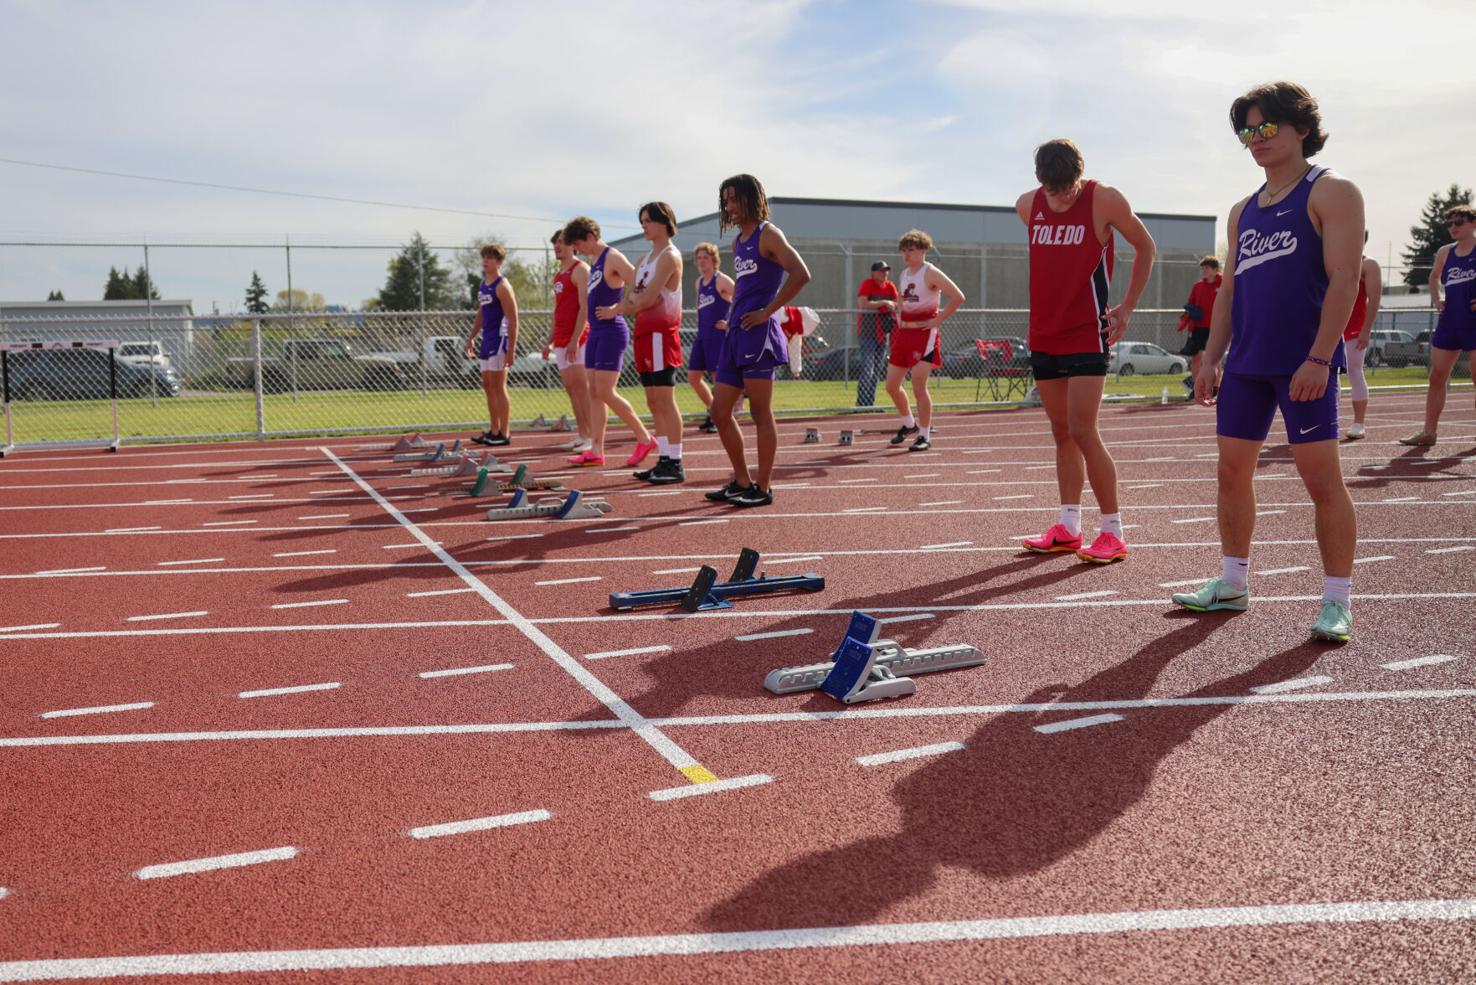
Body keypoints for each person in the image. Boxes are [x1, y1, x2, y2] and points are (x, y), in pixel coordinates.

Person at [1174, 81, 1364, 644]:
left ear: (1300, 129)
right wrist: (1211, 358)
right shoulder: (1241, 211)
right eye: (1247, 131)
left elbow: (1345, 279)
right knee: (1231, 473)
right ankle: (1233, 582)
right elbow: (1229, 292)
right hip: (1247, 367)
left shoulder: (1332, 192)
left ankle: (1338, 600)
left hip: (1303, 364)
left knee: (1321, 481)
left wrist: (1319, 357)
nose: (1256, 139)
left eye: (1267, 126)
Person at [1015, 138, 1156, 563]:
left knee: (1083, 430)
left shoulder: (1104, 199)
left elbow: (1146, 246)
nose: (1062, 197)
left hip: (1086, 334)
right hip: (1044, 334)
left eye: (1068, 187)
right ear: (1040, 181)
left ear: (1080, 174)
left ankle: (1113, 530)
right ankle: (1069, 527)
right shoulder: (1026, 205)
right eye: (1054, 190)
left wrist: (1128, 304)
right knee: (1061, 433)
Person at [703, 173, 811, 508]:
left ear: (752, 198)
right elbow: (745, 288)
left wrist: (767, 312)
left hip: (759, 335)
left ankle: (763, 488)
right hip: (736, 333)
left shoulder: (769, 234)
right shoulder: (738, 242)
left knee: (760, 412)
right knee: (720, 411)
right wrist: (732, 318)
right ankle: (741, 479)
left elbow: (801, 274)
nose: (730, 207)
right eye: (726, 201)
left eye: (734, 199)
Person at [597, 202, 686, 483]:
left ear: (663, 222)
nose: (644, 225)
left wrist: (633, 303)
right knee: (652, 400)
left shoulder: (670, 256)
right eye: (642, 221)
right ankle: (664, 460)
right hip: (644, 333)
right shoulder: (645, 259)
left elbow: (645, 299)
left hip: (661, 333)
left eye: (648, 220)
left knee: (664, 398)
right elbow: (631, 296)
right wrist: (635, 302)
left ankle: (676, 461)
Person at [561, 216, 657, 468]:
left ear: (590, 238)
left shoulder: (611, 257)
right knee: (594, 393)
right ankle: (596, 449)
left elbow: (639, 282)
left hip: (612, 331)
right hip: (595, 332)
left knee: (604, 391)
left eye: (579, 245)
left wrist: (619, 307)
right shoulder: (594, 261)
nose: (578, 251)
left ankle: (645, 438)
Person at [1400, 203, 1476, 446]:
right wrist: (1436, 298)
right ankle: (1429, 432)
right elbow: (1434, 276)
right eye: (1450, 223)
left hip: (1474, 323)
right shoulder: (1445, 252)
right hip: (1450, 321)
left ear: (1473, 223)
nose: (1453, 227)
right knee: (1436, 376)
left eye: (1459, 222)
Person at [884, 230, 966, 451]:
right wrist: (899, 314)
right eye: (904, 251)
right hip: (905, 334)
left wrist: (937, 320)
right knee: (891, 385)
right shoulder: (904, 274)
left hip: (925, 335)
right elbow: (902, 298)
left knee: (919, 386)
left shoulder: (931, 273)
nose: (906, 254)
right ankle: (909, 424)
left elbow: (958, 296)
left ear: (923, 250)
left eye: (911, 250)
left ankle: (924, 435)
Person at [465, 244, 518, 447]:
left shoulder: (502, 286)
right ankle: (493, 430)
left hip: (499, 339)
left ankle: (504, 433)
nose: (485, 261)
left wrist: (511, 349)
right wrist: (472, 336)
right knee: (488, 386)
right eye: (484, 257)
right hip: (486, 339)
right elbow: (482, 311)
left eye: (490, 258)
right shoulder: (483, 284)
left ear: (499, 261)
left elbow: (513, 319)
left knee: (498, 385)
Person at [546, 229, 594, 454]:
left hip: (578, 338)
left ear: (573, 246)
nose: (557, 246)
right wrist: (550, 341)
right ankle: (582, 434)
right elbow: (558, 311)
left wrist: (576, 339)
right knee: (571, 388)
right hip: (562, 340)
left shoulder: (580, 269)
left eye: (562, 243)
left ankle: (593, 436)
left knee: (582, 388)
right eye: (555, 243)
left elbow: (585, 307)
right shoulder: (558, 275)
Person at [689, 242, 735, 433]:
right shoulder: (699, 282)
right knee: (693, 377)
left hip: (717, 335)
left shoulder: (721, 280)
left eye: (705, 257)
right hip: (702, 334)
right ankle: (713, 410)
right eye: (699, 258)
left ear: (714, 260)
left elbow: (741, 298)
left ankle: (722, 416)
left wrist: (730, 322)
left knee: (718, 376)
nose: (702, 261)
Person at [1340, 236, 1381, 440]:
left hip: (1354, 329)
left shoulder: (1368, 264)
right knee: (1329, 375)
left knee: (1354, 371)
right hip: (1331, 327)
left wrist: (1366, 329)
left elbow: (1374, 298)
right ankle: (1329, 421)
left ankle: (1359, 423)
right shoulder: (1331, 260)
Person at [855, 261, 898, 407]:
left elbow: (897, 303)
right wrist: (884, 303)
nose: (884, 273)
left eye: (886, 270)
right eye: (881, 271)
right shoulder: (867, 284)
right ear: (873, 273)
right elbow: (863, 304)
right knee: (868, 369)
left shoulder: (890, 285)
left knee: (877, 371)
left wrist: (891, 304)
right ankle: (861, 404)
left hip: (883, 334)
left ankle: (870, 403)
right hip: (867, 333)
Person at [1178, 256, 1222, 394]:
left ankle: (1216, 387)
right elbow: (1190, 303)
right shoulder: (1197, 286)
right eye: (1202, 268)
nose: (1204, 271)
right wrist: (1191, 309)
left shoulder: (1224, 284)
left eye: (1206, 268)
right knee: (1196, 358)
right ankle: (1196, 388)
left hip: (1217, 326)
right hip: (1199, 327)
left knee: (1215, 358)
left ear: (1215, 270)